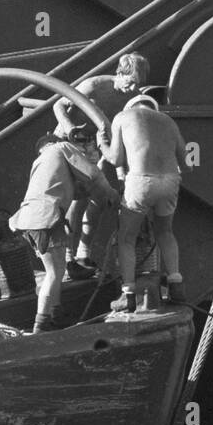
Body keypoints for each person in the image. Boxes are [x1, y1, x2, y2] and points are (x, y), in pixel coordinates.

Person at [11, 126, 117, 333]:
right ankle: (40, 326)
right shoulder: (60, 147)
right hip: (46, 218)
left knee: (55, 272)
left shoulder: (40, 162)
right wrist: (112, 194)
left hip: (30, 219)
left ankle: (56, 315)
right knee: (53, 272)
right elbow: (93, 174)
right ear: (51, 142)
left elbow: (74, 191)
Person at [57, 53, 149, 280]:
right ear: (119, 74)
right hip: (71, 142)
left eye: (138, 84)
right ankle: (68, 259)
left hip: (97, 145)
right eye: (130, 82)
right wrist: (70, 129)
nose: (133, 88)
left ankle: (83, 254)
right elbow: (59, 105)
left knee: (101, 198)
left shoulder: (133, 96)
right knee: (77, 202)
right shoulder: (93, 86)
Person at [102, 94, 188, 311]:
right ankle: (177, 287)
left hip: (141, 181)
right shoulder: (169, 121)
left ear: (131, 106)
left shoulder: (123, 116)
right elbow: (187, 164)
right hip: (170, 181)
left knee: (127, 238)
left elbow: (116, 159)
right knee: (165, 233)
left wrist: (101, 144)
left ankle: (128, 295)